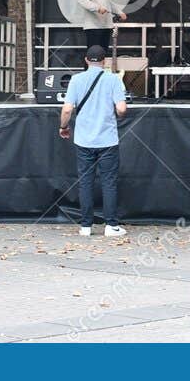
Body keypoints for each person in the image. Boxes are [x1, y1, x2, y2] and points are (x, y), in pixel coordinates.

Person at [59, 43, 130, 237]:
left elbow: (67, 109)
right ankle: (111, 226)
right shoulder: (114, 80)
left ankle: (85, 226)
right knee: (109, 182)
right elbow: (122, 109)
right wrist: (118, 114)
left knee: (85, 182)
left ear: (86, 60)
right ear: (105, 61)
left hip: (83, 140)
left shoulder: (76, 80)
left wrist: (64, 127)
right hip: (107, 140)